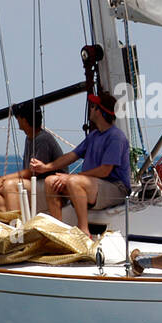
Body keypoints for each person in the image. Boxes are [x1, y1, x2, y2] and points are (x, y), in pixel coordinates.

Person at [32, 91, 130, 237]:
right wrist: (46, 167)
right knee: (50, 181)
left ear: (101, 112)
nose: (90, 109)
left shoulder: (116, 137)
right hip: (92, 185)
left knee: (74, 181)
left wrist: (74, 176)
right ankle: (59, 232)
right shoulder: (94, 136)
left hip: (116, 188)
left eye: (93, 106)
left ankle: (84, 231)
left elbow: (105, 171)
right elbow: (72, 155)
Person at [0, 102, 67, 213]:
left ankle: (16, 224)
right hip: (35, 184)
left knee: (10, 185)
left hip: (52, 189)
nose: (17, 119)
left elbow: (34, 172)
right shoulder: (30, 137)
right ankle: (8, 219)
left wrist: (4, 178)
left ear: (25, 120)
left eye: (18, 116)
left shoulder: (43, 139)